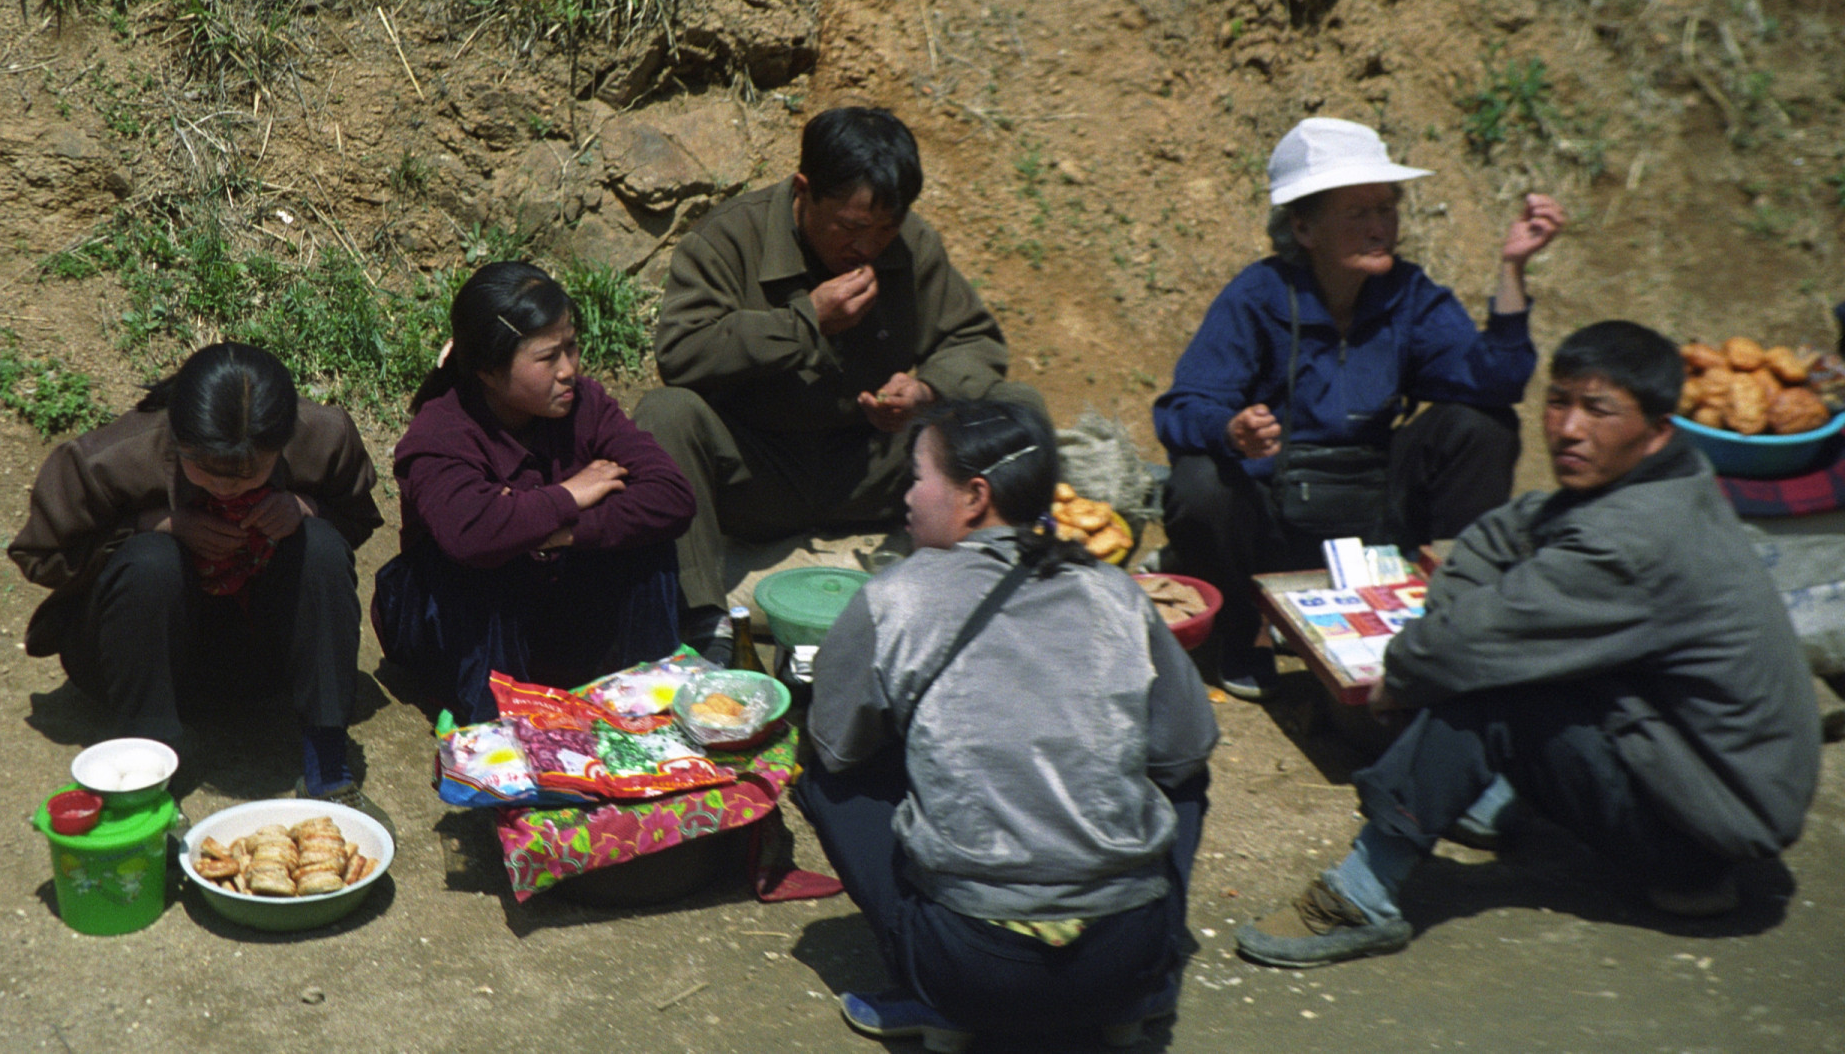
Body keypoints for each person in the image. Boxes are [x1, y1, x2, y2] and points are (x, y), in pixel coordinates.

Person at [1235, 321, 1823, 968]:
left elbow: (1469, 644)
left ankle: (1361, 894)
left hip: (1708, 823)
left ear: (1656, 430)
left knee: (1487, 690)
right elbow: (1503, 533)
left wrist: (1406, 668)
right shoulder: (1667, 478)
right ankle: (1491, 801)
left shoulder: (1635, 538)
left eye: (1599, 410)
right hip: (1700, 781)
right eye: (1559, 400)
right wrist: (1446, 626)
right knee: (1492, 652)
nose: (1568, 427)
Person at [796, 400, 1218, 1051]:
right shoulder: (1116, 591)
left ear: (974, 495)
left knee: (826, 772)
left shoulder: (894, 597)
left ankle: (930, 997)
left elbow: (835, 744)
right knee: (1185, 770)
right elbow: (1185, 750)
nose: (907, 497)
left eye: (917, 477)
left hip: (969, 967)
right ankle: (1138, 995)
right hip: (1125, 953)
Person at [1153, 117, 1567, 699]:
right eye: (1358, 214)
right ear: (1304, 227)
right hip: (1274, 513)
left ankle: (1456, 611)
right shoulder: (1256, 298)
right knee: (1198, 482)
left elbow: (1493, 382)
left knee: (1481, 426)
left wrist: (1512, 268)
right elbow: (1180, 408)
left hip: (1373, 511)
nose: (1380, 229)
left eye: (1387, 209)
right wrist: (1231, 429)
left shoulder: (1408, 294)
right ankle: (1242, 629)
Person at [632, 106, 1045, 661]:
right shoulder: (728, 240)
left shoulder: (912, 246)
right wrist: (804, 321)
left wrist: (927, 392)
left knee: (1017, 406)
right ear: (805, 190)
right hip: (758, 476)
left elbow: (973, 340)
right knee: (667, 414)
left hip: (873, 466)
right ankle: (702, 626)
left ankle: (1008, 587)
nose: (868, 247)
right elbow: (681, 354)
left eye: (885, 229)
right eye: (850, 228)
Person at [10, 343, 383, 803]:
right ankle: (147, 775)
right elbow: (41, 556)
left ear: (283, 444)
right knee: (150, 561)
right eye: (206, 470)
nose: (226, 487)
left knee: (321, 546)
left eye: (250, 474)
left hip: (261, 660)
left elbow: (359, 519)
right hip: (141, 658)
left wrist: (305, 507)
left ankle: (328, 764)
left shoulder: (323, 437)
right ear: (176, 434)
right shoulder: (108, 460)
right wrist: (150, 524)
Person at [372, 262, 695, 723]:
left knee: (647, 542)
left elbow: (671, 496)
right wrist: (568, 494)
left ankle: (652, 703)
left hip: (551, 610)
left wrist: (558, 530)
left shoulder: (586, 405)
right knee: (486, 565)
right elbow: (472, 534)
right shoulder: (440, 434)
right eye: (547, 358)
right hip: (453, 632)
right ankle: (500, 727)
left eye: (572, 347)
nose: (568, 370)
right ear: (487, 369)